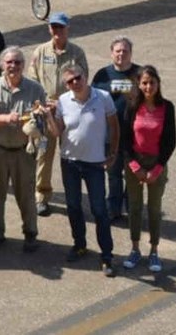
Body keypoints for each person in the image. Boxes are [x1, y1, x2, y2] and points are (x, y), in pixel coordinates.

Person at [48, 62, 119, 276]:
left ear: (85, 76)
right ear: (65, 84)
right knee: (73, 206)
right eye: (69, 81)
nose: (75, 83)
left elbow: (114, 127)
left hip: (95, 163)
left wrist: (113, 153)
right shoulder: (62, 101)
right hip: (69, 162)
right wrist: (48, 116)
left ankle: (106, 255)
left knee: (99, 210)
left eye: (77, 78)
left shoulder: (103, 98)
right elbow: (56, 132)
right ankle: (79, 245)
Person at [0, 46, 47, 252]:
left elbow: (41, 120)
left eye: (18, 62)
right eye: (9, 62)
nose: (13, 66)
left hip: (23, 151)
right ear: (2, 65)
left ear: (24, 65)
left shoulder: (35, 89)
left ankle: (30, 235)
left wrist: (39, 117)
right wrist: (6, 118)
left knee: (26, 195)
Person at [27, 11, 87, 216]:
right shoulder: (40, 52)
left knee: (71, 157)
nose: (57, 31)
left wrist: (64, 102)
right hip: (46, 113)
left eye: (61, 27)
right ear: (49, 28)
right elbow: (32, 82)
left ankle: (73, 198)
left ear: (68, 28)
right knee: (44, 155)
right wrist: (43, 105)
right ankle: (41, 196)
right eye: (54, 27)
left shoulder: (77, 53)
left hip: (70, 112)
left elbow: (82, 81)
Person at [119, 66, 176, 275]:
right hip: (135, 163)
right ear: (139, 85)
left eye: (152, 82)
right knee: (134, 207)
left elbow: (170, 141)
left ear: (158, 84)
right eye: (144, 83)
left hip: (156, 163)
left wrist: (157, 169)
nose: (148, 87)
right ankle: (135, 249)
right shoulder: (132, 106)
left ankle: (154, 250)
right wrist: (135, 166)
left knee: (154, 208)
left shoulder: (167, 108)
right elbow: (125, 140)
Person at [91, 36, 140, 224]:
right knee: (113, 172)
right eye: (117, 51)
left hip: (134, 135)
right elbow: (93, 100)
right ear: (112, 53)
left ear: (130, 53)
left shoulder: (140, 73)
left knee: (132, 174)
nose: (121, 54)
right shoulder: (103, 75)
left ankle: (132, 209)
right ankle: (114, 209)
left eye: (125, 51)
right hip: (110, 133)